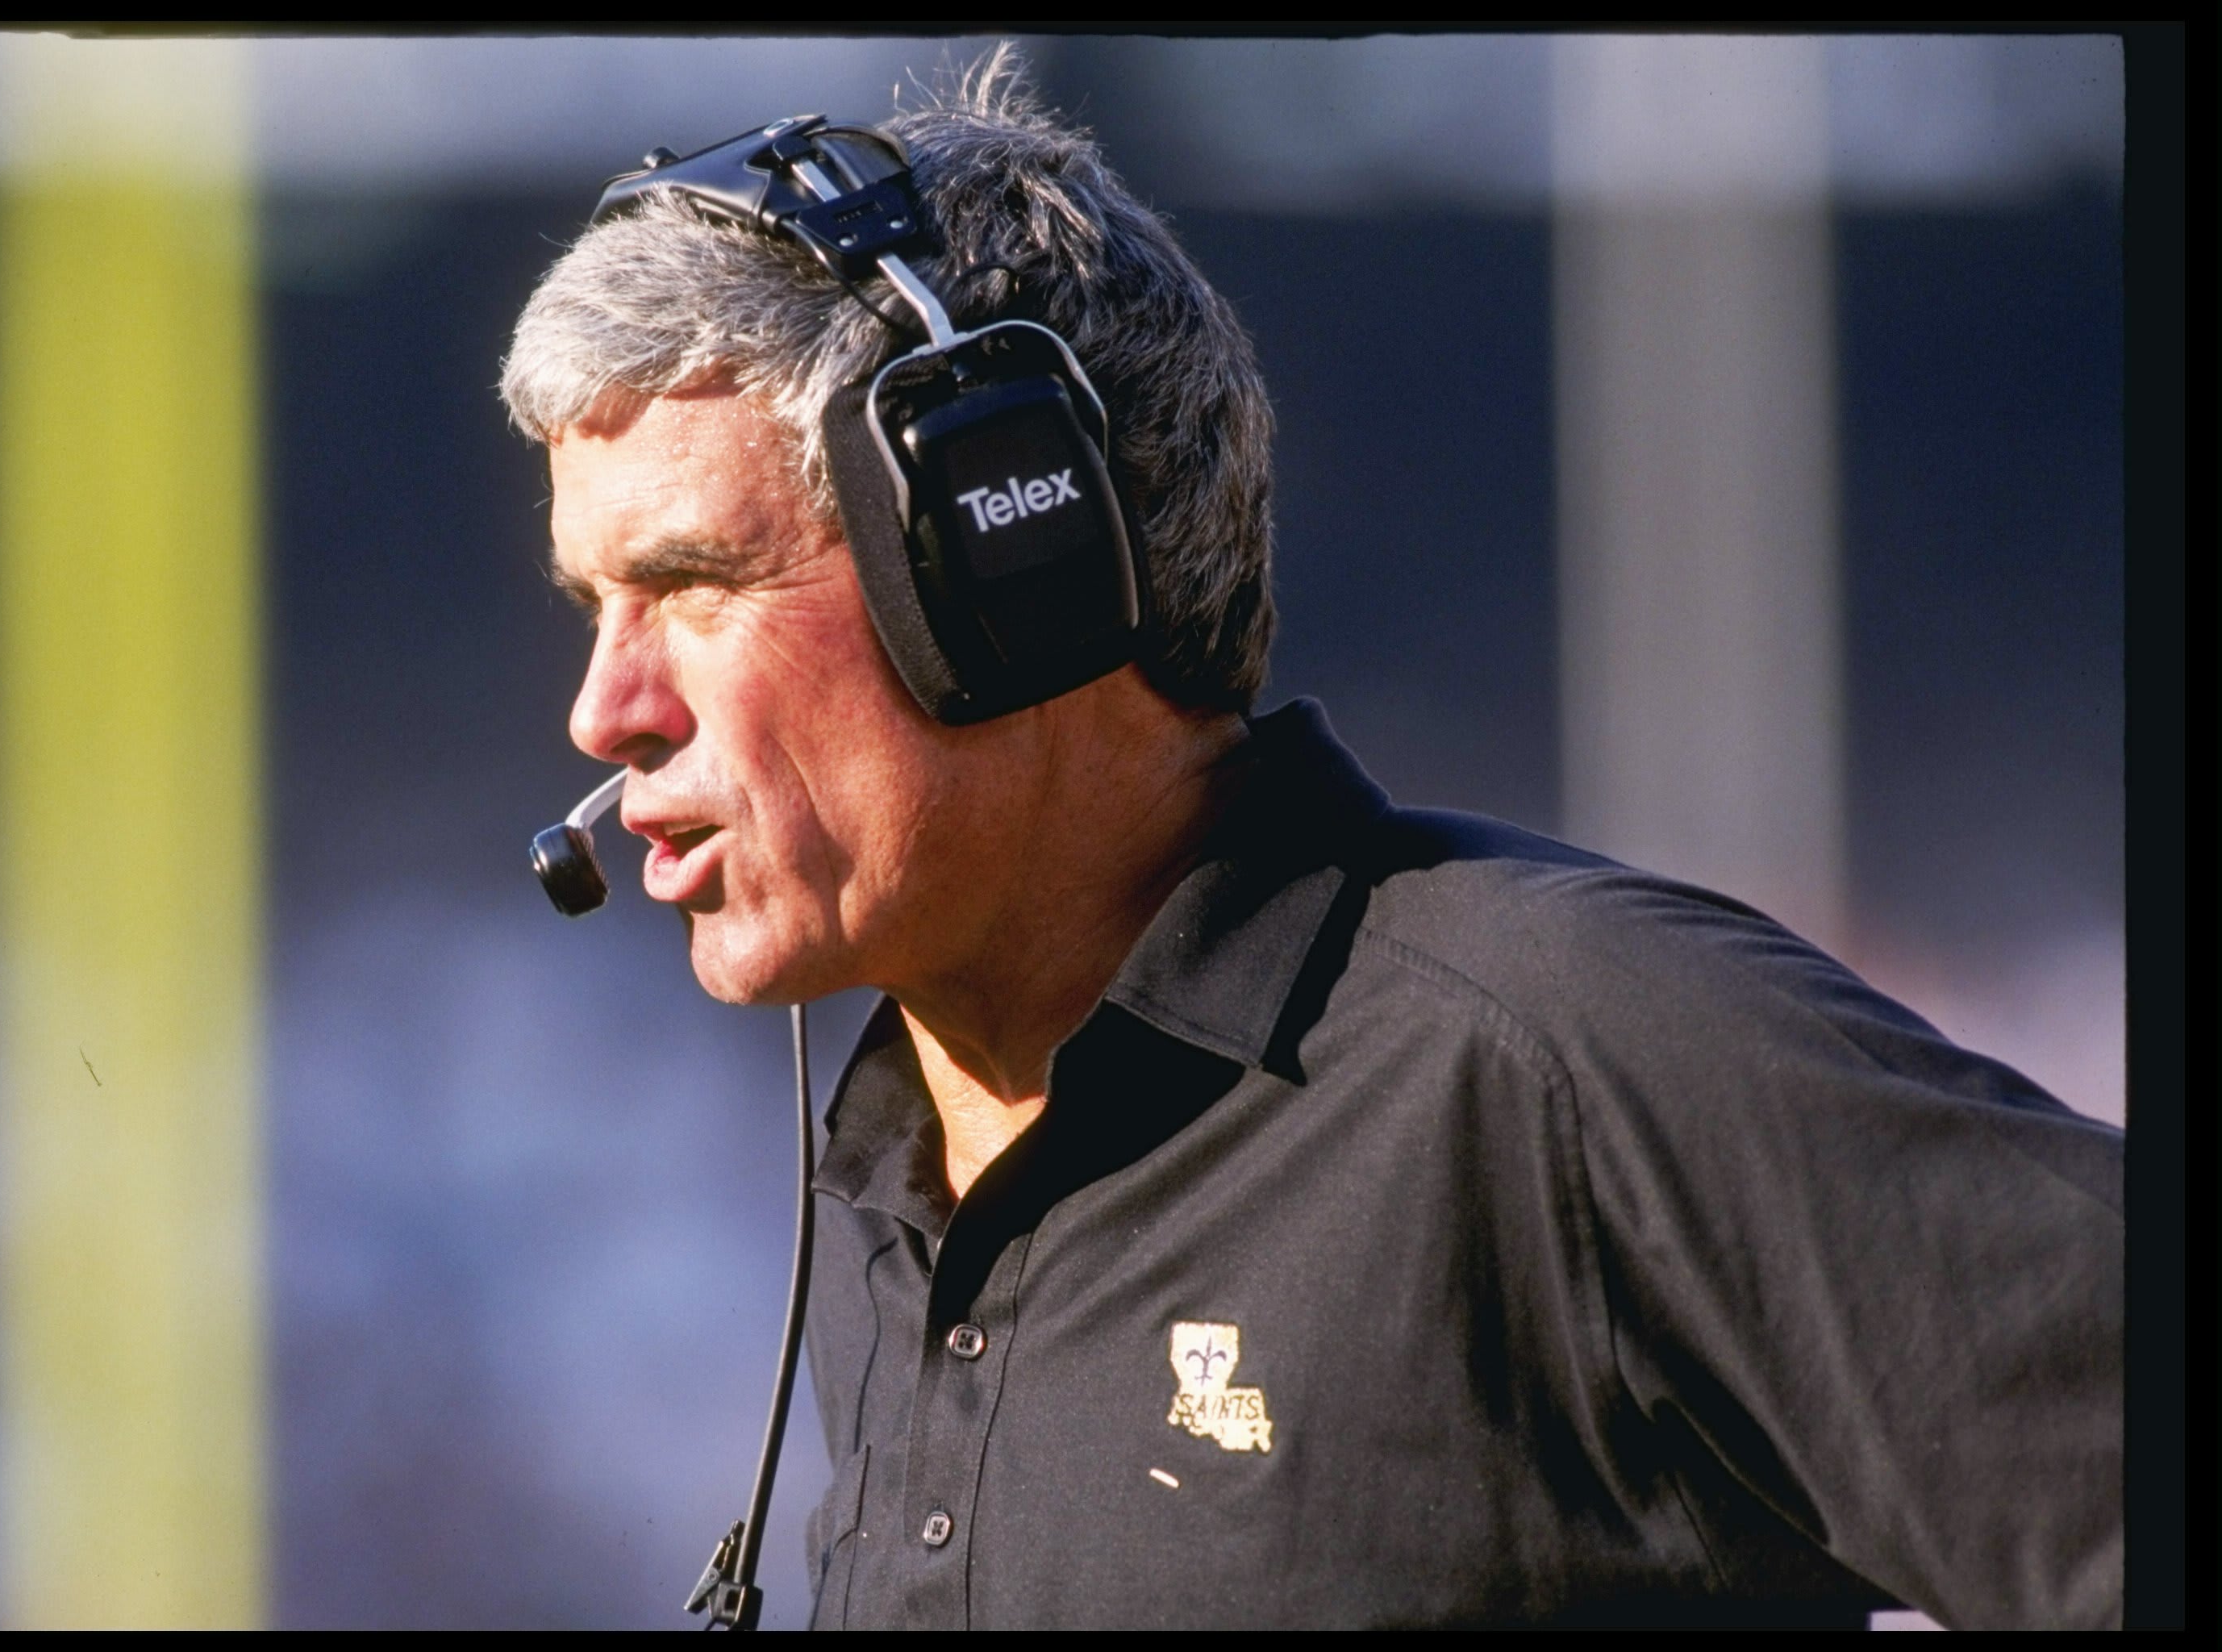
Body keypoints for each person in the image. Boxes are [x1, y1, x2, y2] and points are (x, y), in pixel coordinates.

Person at [499, 50, 2123, 1631]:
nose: (603, 710)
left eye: (693, 585)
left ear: (1008, 564)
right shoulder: (901, 1180)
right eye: (595, 608)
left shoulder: (1565, 1060)